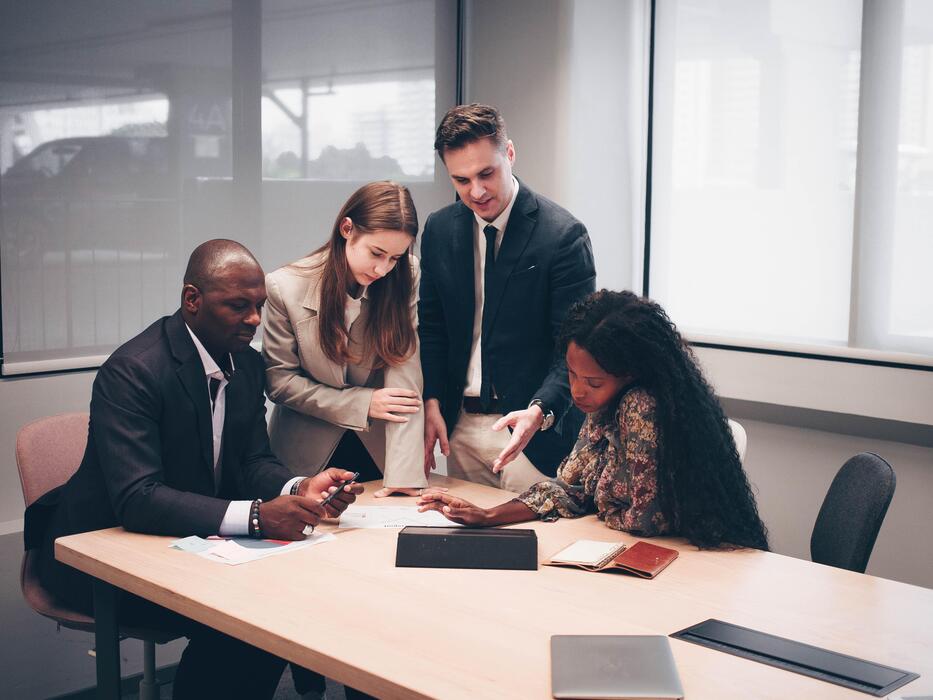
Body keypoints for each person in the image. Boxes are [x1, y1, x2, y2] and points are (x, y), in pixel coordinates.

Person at [23, 240, 363, 699]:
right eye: (238, 306)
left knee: (276, 604)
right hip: (102, 554)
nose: (254, 320)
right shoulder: (133, 371)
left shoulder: (245, 361)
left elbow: (251, 460)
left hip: (186, 540)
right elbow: (139, 499)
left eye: (259, 306)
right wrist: (260, 517)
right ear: (192, 300)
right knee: (242, 622)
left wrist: (300, 485)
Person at [418, 290, 770, 551]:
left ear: (630, 373)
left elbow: (642, 519)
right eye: (571, 375)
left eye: (593, 382)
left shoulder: (640, 405)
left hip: (688, 562)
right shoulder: (605, 404)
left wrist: (599, 504)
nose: (578, 391)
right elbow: (569, 487)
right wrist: (487, 516)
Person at [419, 103, 596, 493]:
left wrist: (540, 412)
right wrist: (431, 398)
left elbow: (574, 348)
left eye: (487, 173)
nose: (476, 191)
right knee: (466, 550)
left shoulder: (563, 236)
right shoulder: (438, 230)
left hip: (533, 433)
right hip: (460, 428)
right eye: (461, 180)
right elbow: (432, 327)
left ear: (510, 154)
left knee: (536, 550)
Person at [263, 181, 443, 499]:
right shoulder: (284, 287)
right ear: (347, 228)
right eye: (376, 253)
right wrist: (362, 403)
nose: (383, 268)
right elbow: (280, 382)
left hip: (378, 452)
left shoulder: (406, 275)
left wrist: (404, 471)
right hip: (304, 455)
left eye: (395, 257)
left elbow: (405, 373)